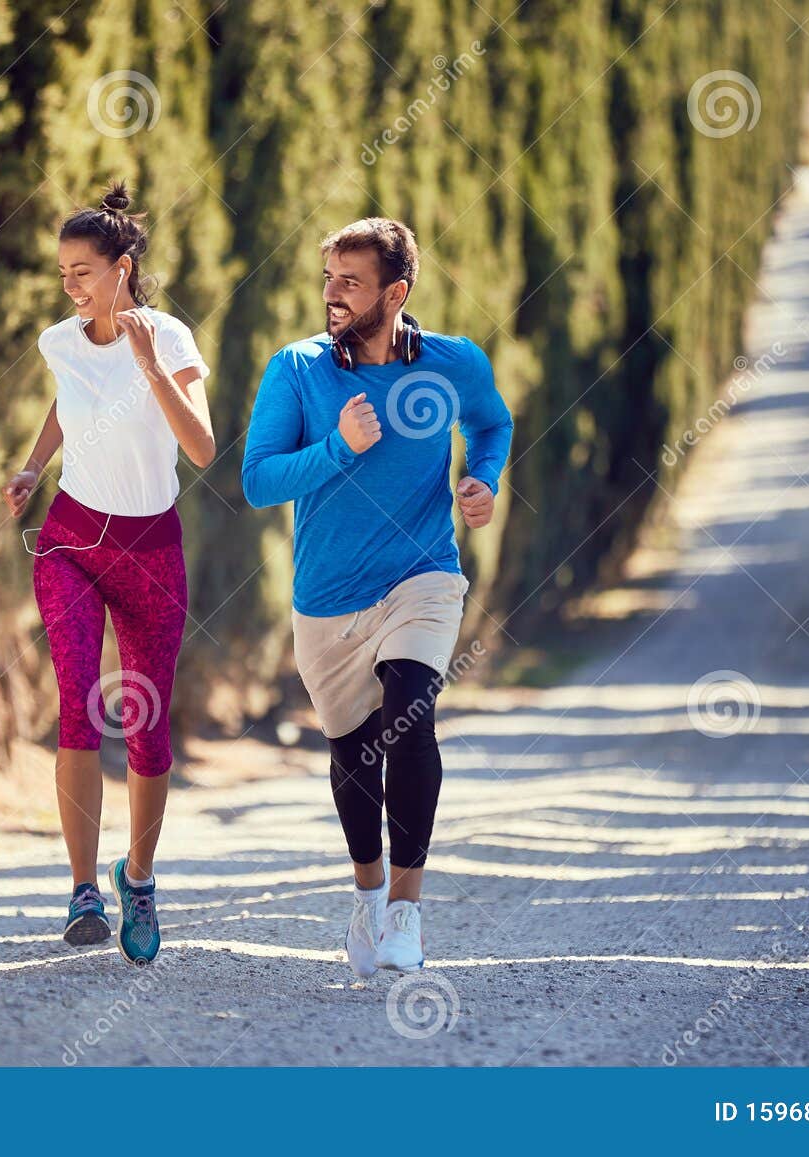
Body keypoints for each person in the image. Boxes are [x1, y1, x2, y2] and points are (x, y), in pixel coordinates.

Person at [241, 218, 512, 975]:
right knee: (356, 758)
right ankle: (365, 895)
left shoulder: (453, 362)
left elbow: (492, 422)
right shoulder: (296, 370)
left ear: (394, 293)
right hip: (327, 597)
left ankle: (405, 910)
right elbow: (258, 480)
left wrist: (483, 479)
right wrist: (337, 447)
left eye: (350, 281)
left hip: (421, 576)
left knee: (410, 717)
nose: (332, 293)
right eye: (328, 277)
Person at [4, 180, 215, 966]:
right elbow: (66, 403)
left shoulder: (172, 337)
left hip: (149, 549)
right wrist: (32, 468)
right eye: (63, 271)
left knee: (147, 719)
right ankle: (82, 888)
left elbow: (201, 448)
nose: (70, 283)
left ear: (122, 266)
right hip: (68, 542)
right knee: (76, 704)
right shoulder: (59, 342)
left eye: (82, 269)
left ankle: (141, 875)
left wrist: (150, 364)